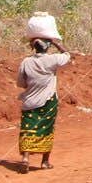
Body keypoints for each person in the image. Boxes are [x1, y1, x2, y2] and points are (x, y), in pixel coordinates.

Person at [16, 38, 71, 172]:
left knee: (28, 128)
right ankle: (45, 162)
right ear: (47, 47)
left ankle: (25, 158)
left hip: (30, 101)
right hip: (48, 100)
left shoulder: (26, 62)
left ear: (34, 47)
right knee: (47, 129)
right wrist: (56, 43)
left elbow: (21, 83)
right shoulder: (52, 59)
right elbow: (67, 55)